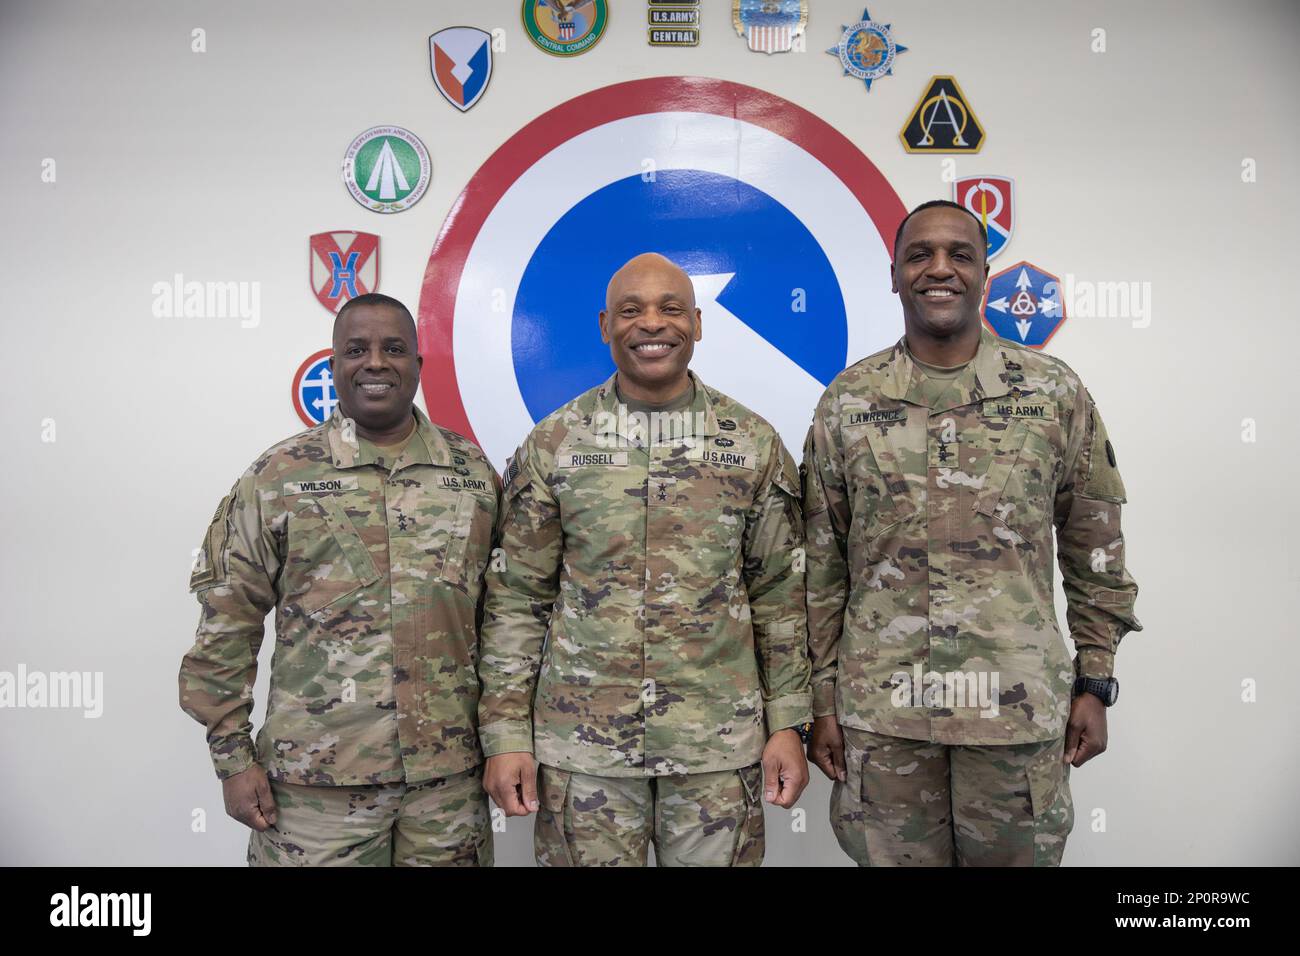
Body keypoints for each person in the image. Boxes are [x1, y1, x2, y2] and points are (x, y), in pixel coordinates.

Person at [803, 201, 1141, 866]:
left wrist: (1095, 680)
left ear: (986, 273)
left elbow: (1095, 544)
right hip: (884, 717)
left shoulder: (1051, 394)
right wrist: (822, 702)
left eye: (960, 254)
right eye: (920, 255)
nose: (940, 269)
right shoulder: (848, 402)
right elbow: (818, 566)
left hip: (1012, 712)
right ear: (894, 276)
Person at [479, 253, 812, 866]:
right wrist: (504, 734)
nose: (652, 324)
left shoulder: (752, 444)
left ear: (699, 324)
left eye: (671, 309)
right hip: (584, 755)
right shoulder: (555, 443)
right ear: (605, 325)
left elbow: (780, 597)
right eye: (631, 311)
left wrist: (789, 722)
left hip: (716, 748)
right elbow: (517, 601)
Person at [179, 293, 500, 866]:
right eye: (357, 350)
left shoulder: (471, 473)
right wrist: (232, 757)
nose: (375, 362)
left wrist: (505, 743)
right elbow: (228, 619)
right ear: (333, 367)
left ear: (418, 366)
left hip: (448, 784)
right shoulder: (280, 475)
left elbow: (505, 619)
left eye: (394, 348)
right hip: (315, 787)